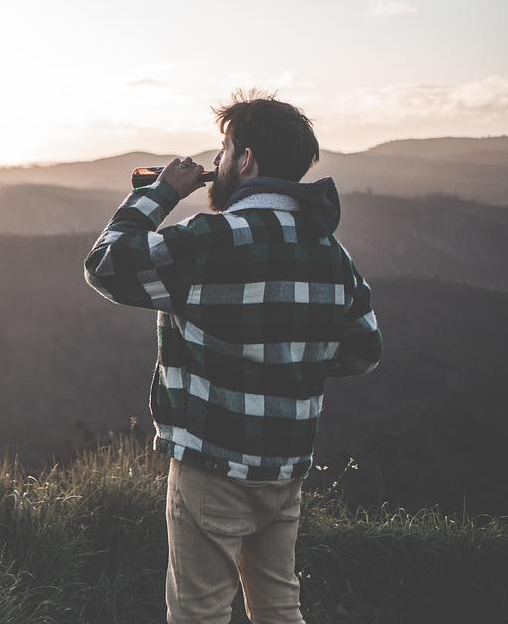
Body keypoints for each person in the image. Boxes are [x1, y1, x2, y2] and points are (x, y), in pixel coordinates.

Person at [82, 90, 382, 624]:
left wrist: (160, 194)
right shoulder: (332, 253)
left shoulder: (211, 241)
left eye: (222, 152)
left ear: (246, 160)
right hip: (286, 467)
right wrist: (289, 356)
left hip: (212, 464)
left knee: (199, 613)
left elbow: (106, 265)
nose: (215, 164)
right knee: (278, 607)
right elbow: (363, 349)